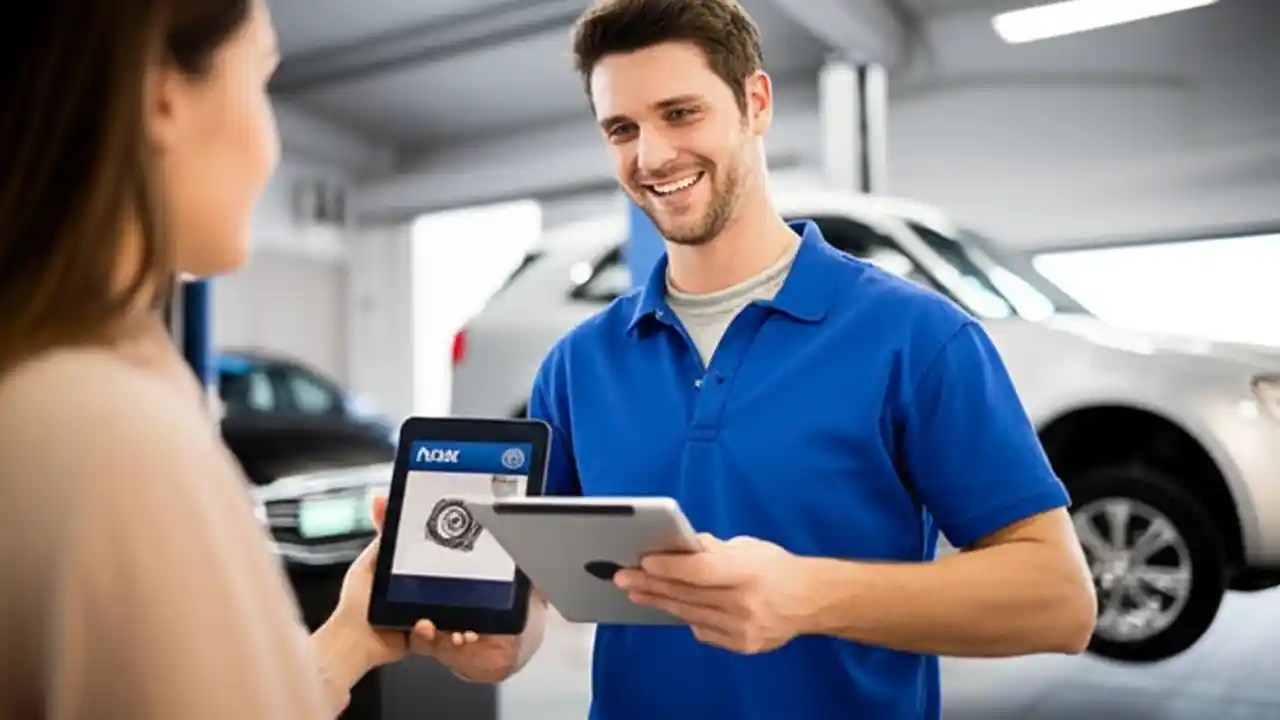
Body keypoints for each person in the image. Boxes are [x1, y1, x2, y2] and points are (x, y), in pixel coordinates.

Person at [423, 0, 1100, 718]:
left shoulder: (918, 339)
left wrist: (807, 596)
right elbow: (537, 590)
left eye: (680, 113)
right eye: (622, 128)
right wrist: (498, 642)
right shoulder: (575, 365)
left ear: (755, 102)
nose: (650, 157)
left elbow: (1059, 600)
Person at [0, 1, 470, 716]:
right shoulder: (113, 437)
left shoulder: (48, 397)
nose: (269, 146)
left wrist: (349, 640)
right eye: (261, 79)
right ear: (162, 96)